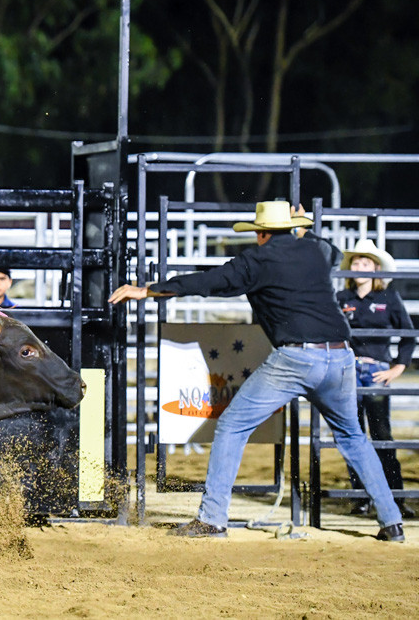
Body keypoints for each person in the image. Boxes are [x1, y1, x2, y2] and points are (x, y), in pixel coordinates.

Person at [110, 201, 404, 542]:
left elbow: (212, 281)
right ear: (292, 228)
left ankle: (212, 519)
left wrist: (149, 290)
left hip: (296, 358)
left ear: (262, 233)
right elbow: (331, 249)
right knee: (354, 438)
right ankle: (392, 522)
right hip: (340, 357)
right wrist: (303, 228)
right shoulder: (313, 252)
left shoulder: (259, 259)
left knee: (233, 425)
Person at [336, 238, 416, 519]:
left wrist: (398, 367)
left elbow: (408, 335)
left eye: (365, 262)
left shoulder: (388, 298)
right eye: (356, 262)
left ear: (376, 269)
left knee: (381, 434)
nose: (359, 267)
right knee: (353, 434)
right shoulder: (342, 300)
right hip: (349, 371)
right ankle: (362, 498)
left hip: (376, 373)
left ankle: (396, 497)